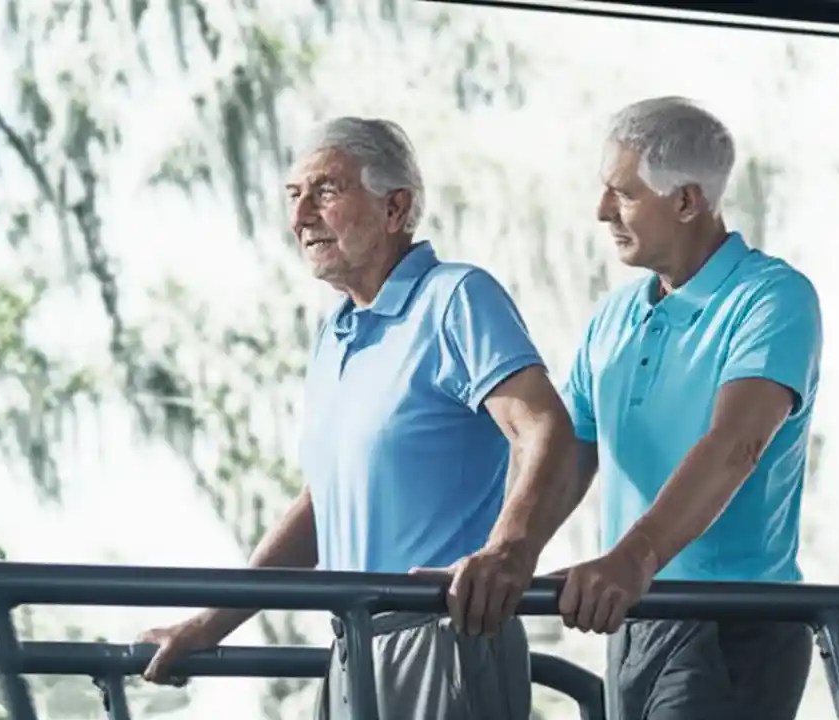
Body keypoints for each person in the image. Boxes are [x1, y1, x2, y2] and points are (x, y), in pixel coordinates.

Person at [137, 116, 579, 720]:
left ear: (395, 208)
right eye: (294, 196)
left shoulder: (455, 298)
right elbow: (326, 504)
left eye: (325, 191)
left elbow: (545, 427)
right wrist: (209, 624)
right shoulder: (335, 331)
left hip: (440, 637)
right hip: (350, 646)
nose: (301, 216)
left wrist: (509, 552)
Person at [554, 96, 823, 720]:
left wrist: (634, 556)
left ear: (687, 200)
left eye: (621, 194)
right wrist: (504, 554)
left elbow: (737, 444)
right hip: (636, 616)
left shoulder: (772, 297)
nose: (601, 211)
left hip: (736, 626)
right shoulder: (612, 316)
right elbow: (570, 454)